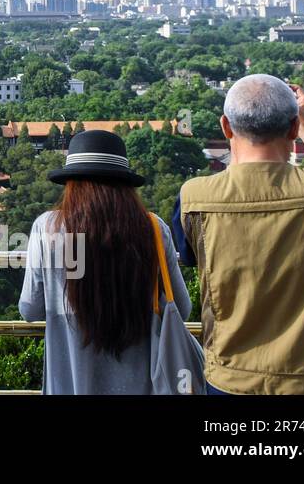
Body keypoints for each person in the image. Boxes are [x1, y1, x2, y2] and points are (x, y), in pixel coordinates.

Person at [172, 74, 304, 395]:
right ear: (293, 130)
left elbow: (191, 256)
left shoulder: (194, 198)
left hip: (232, 378)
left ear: (226, 127)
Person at [18, 129, 191, 394]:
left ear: (71, 183)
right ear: (125, 184)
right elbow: (182, 307)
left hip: (70, 384)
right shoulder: (153, 229)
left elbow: (30, 309)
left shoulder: (47, 228)